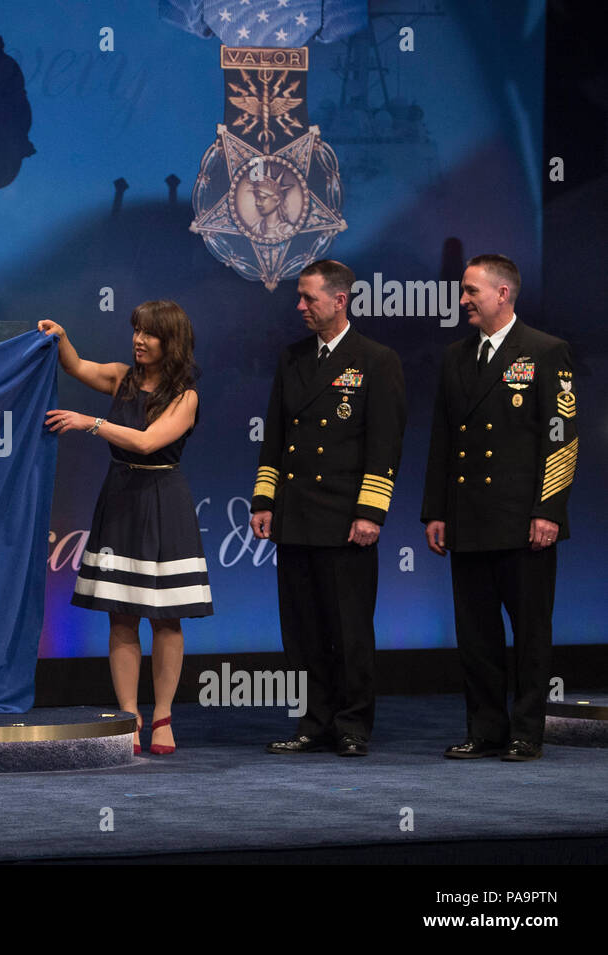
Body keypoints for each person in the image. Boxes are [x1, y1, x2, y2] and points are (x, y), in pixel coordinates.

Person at [41, 302, 213, 756]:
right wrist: (61, 335)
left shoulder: (185, 396)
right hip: (120, 497)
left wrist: (89, 422)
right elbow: (76, 365)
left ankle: (163, 717)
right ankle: (128, 716)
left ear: (169, 341)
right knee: (121, 614)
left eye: (149, 333)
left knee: (166, 617)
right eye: (136, 330)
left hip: (163, 500)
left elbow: (146, 441)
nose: (138, 339)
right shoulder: (121, 377)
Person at [422, 254, 576, 762]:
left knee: (530, 635)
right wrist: (436, 511)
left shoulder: (547, 351)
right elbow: (442, 438)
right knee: (477, 634)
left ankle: (527, 730)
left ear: (502, 294)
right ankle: (486, 728)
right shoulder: (455, 356)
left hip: (523, 521)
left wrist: (548, 510)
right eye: (463, 292)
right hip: (468, 520)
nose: (463, 299)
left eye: (471, 291)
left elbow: (561, 438)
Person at [250, 259, 406, 758]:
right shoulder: (291, 358)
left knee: (349, 629)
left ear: (339, 300)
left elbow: (385, 444)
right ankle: (312, 721)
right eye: (299, 297)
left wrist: (371, 512)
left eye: (309, 298)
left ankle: (353, 724)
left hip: (345, 517)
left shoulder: (376, 359)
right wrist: (264, 499)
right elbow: (275, 434)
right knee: (303, 630)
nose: (300, 306)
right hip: (295, 516)